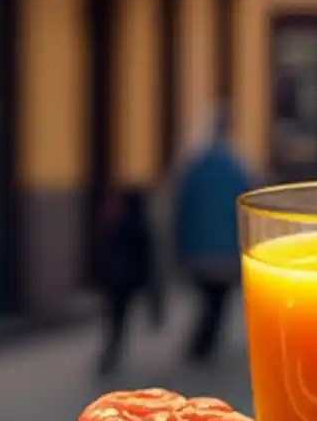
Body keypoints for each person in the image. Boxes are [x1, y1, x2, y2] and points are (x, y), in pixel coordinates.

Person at [173, 109, 253, 363]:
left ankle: (202, 345)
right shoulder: (236, 167)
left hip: (199, 250)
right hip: (226, 251)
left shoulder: (195, 167)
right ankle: (203, 345)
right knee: (216, 301)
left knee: (208, 299)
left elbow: (183, 209)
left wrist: (183, 247)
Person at [96, 186, 162, 376]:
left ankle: (110, 352)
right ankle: (111, 352)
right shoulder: (139, 227)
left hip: (114, 281)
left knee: (115, 320)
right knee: (118, 320)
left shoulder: (113, 224)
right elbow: (146, 259)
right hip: (128, 280)